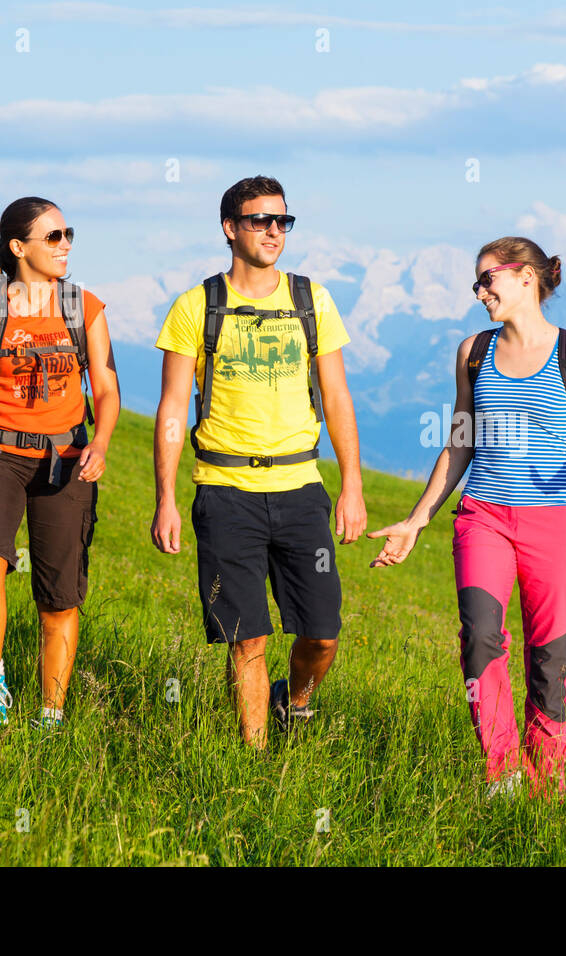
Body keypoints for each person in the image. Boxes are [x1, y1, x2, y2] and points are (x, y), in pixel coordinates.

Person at [368, 237, 566, 797]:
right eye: (476, 284)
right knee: (480, 639)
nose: (479, 293)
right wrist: (416, 519)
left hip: (555, 525)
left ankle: (544, 788)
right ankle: (502, 773)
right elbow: (459, 443)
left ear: (526, 276)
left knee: (548, 663)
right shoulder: (472, 352)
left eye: (487, 280)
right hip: (484, 518)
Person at [150, 175, 367, 748]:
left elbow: (339, 398)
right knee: (247, 637)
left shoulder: (311, 299)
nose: (274, 231)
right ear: (230, 228)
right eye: (260, 220)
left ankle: (294, 705)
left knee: (322, 632)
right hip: (224, 492)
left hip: (301, 489)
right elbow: (173, 407)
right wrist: (166, 497)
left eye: (283, 221)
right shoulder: (195, 306)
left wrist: (352, 488)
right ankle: (254, 759)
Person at [0, 196, 121, 729]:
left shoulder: (85, 308)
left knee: (59, 596)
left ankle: (50, 716)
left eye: (68, 234)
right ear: (19, 247)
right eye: (53, 237)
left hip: (67, 458)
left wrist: (101, 441)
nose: (66, 246)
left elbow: (105, 386)